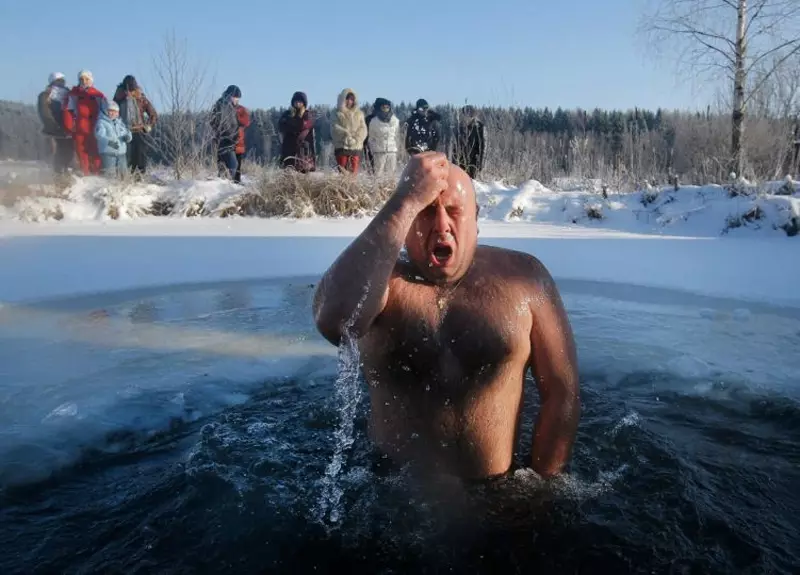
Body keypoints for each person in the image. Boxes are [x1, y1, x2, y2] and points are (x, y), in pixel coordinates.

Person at [312, 152, 580, 483]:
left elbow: (561, 390)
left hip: (493, 494)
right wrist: (404, 199)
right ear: (405, 223)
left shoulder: (524, 279)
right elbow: (335, 322)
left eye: (454, 211)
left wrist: (541, 485)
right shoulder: (377, 283)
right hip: (390, 494)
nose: (441, 225)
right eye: (425, 212)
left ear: (476, 220)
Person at [112, 75, 158, 177]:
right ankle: (124, 178)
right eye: (126, 89)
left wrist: (149, 126)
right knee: (123, 156)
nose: (129, 92)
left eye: (131, 90)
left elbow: (153, 114)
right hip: (122, 132)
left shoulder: (141, 98)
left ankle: (140, 178)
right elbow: (111, 114)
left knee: (140, 157)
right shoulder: (118, 98)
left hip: (139, 131)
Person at [63, 70, 106, 175]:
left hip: (95, 127)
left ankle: (97, 173)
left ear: (91, 80)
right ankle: (85, 173)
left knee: (95, 151)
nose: (84, 81)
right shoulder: (74, 94)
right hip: (79, 127)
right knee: (81, 151)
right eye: (81, 79)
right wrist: (69, 127)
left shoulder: (98, 95)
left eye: (87, 79)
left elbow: (104, 111)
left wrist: (103, 126)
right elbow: (68, 111)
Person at [37, 72, 73, 175]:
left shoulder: (68, 94)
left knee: (69, 151)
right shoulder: (46, 95)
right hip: (53, 129)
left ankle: (65, 171)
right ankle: (56, 174)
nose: (61, 83)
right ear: (52, 81)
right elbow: (44, 112)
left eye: (62, 80)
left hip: (67, 129)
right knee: (56, 152)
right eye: (58, 80)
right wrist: (52, 125)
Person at [331, 88, 367, 174]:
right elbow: (334, 127)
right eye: (347, 99)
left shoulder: (359, 114)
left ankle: (352, 187)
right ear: (342, 99)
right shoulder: (336, 113)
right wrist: (346, 134)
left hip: (356, 147)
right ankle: (342, 187)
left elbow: (363, 129)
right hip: (342, 146)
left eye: (351, 99)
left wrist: (356, 138)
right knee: (343, 173)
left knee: (353, 173)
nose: (349, 101)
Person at [279, 91, 316, 173]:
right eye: (296, 101)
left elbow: (302, 126)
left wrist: (291, 123)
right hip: (288, 150)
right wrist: (292, 123)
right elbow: (281, 126)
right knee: (288, 174)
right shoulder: (287, 114)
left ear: (304, 103)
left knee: (303, 175)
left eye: (300, 101)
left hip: (303, 152)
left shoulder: (308, 115)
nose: (297, 103)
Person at [210, 85, 241, 180]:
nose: (237, 101)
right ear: (231, 96)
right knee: (233, 165)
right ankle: (224, 187)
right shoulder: (223, 105)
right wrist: (229, 135)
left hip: (227, 141)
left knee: (224, 167)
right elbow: (221, 123)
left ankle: (222, 186)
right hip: (225, 141)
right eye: (236, 98)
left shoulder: (227, 106)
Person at [94, 101, 132, 178]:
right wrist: (112, 144)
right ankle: (109, 188)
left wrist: (128, 137)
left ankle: (124, 188)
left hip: (121, 153)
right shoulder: (101, 122)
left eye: (115, 111)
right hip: (108, 153)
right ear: (105, 111)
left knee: (123, 175)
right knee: (110, 175)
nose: (112, 113)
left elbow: (127, 132)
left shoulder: (120, 123)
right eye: (110, 111)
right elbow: (100, 136)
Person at [367, 98, 400, 177]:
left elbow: (397, 136)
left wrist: (396, 148)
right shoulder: (374, 121)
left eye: (387, 107)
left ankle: (391, 189)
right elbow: (371, 138)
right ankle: (378, 189)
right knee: (378, 175)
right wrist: (374, 150)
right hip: (379, 152)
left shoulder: (395, 121)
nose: (385, 109)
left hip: (392, 151)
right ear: (379, 108)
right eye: (383, 107)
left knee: (391, 175)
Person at [452, 105, 486, 180]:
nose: (467, 117)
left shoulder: (479, 127)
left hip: (473, 161)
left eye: (469, 115)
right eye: (465, 114)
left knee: (471, 183)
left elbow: (482, 146)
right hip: (460, 160)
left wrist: (480, 163)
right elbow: (455, 146)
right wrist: (454, 162)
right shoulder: (459, 127)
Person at [234, 99, 251, 183]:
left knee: (237, 164)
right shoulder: (224, 108)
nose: (235, 100)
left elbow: (246, 122)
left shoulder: (241, 109)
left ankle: (236, 181)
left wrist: (235, 117)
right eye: (234, 97)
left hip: (239, 141)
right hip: (226, 142)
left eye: (237, 98)